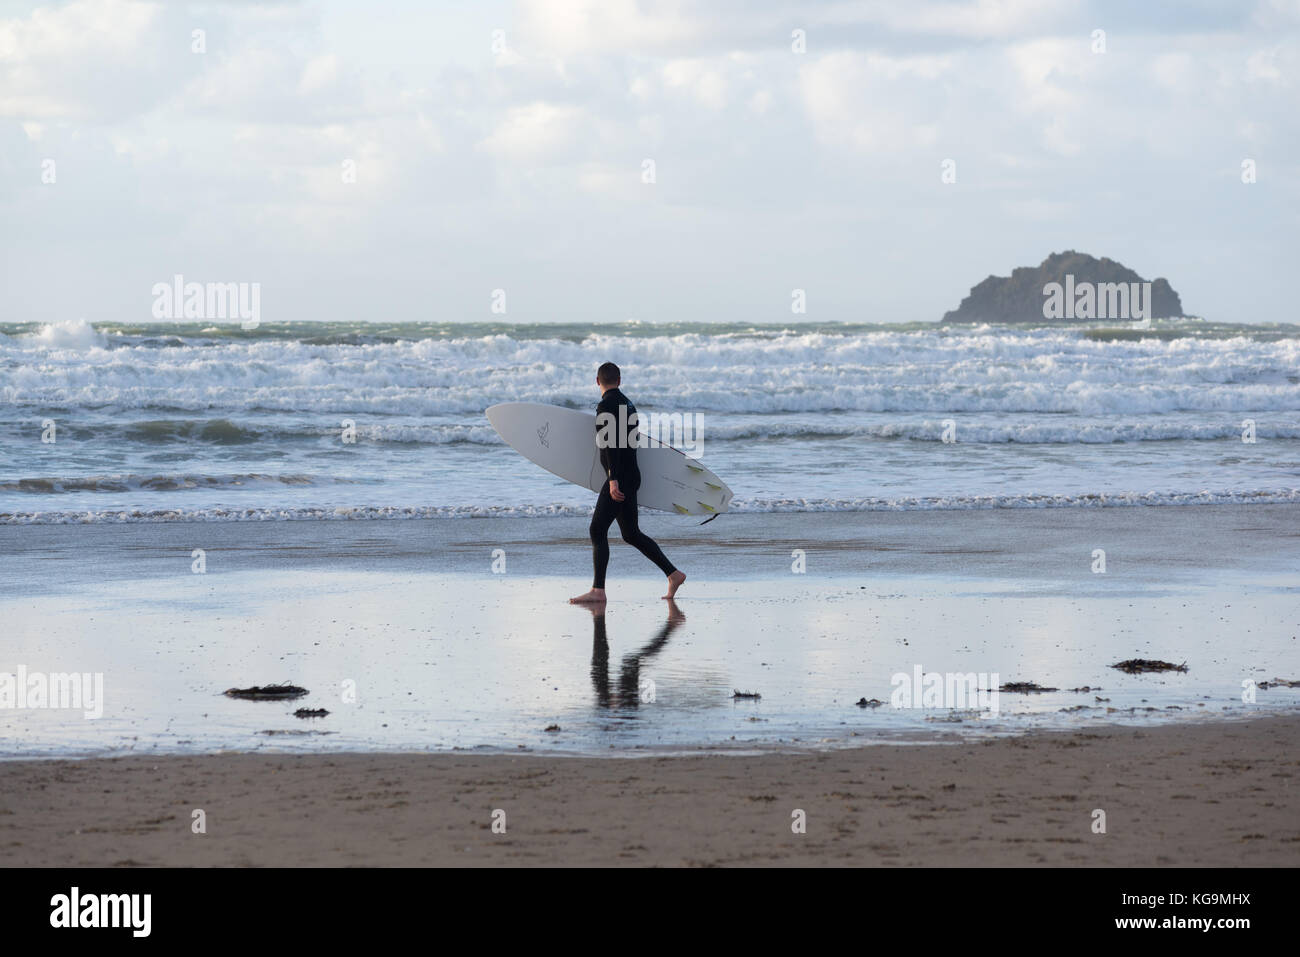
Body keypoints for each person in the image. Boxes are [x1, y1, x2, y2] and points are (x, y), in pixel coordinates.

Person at [569, 362, 686, 604]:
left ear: (597, 381)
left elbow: (609, 444)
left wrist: (612, 479)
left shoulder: (605, 405)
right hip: (632, 475)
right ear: (619, 381)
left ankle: (598, 591)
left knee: (597, 530)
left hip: (619, 478)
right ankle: (674, 574)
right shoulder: (628, 404)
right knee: (631, 534)